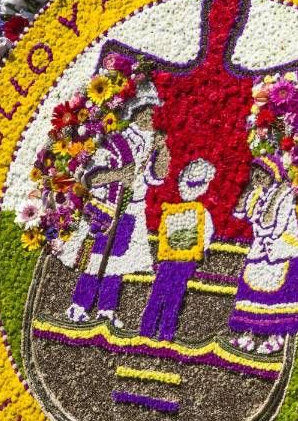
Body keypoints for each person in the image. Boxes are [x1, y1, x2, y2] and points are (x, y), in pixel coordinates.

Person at [64, 94, 168, 328]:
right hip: (107, 208)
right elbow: (90, 177)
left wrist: (161, 151)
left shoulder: (152, 143)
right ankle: (79, 306)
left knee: (118, 262)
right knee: (96, 259)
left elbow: (157, 177)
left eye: (154, 113)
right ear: (137, 112)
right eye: (148, 112)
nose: (152, 117)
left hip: (132, 209)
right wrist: (119, 175)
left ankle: (106, 309)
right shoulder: (115, 141)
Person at [229, 154, 298, 354]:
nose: (258, 179)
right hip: (260, 252)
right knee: (252, 291)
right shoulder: (258, 196)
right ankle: (248, 334)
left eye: (262, 175)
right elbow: (239, 213)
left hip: (283, 251)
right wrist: (248, 193)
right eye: (255, 175)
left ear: (273, 174)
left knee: (278, 296)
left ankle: (277, 336)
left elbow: (274, 226)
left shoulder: (286, 194)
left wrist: (263, 215)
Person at [139, 158, 216, 341]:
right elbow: (164, 233)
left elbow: (206, 234)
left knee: (174, 295)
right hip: (170, 259)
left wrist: (200, 249)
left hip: (185, 260)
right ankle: (146, 332)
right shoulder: (173, 211)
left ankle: (165, 334)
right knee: (158, 293)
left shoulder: (201, 212)